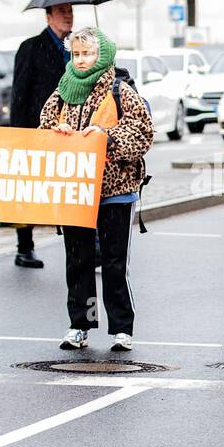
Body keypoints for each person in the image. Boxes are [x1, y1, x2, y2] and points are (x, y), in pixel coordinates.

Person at [39, 27, 153, 351]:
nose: (81, 60)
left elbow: (143, 132)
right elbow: (43, 130)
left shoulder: (120, 90)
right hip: (76, 191)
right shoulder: (62, 92)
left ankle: (122, 328)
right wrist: (57, 132)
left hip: (116, 190)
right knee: (79, 262)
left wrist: (106, 137)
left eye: (88, 53)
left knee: (115, 264)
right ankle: (80, 325)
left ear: (101, 55)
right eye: (76, 54)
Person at [10, 2, 73, 268]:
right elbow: (20, 96)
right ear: (48, 16)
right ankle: (24, 247)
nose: (68, 16)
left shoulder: (76, 49)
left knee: (71, 188)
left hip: (70, 132)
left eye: (71, 11)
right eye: (62, 11)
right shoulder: (31, 48)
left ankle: (85, 245)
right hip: (37, 130)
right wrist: (20, 137)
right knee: (29, 190)